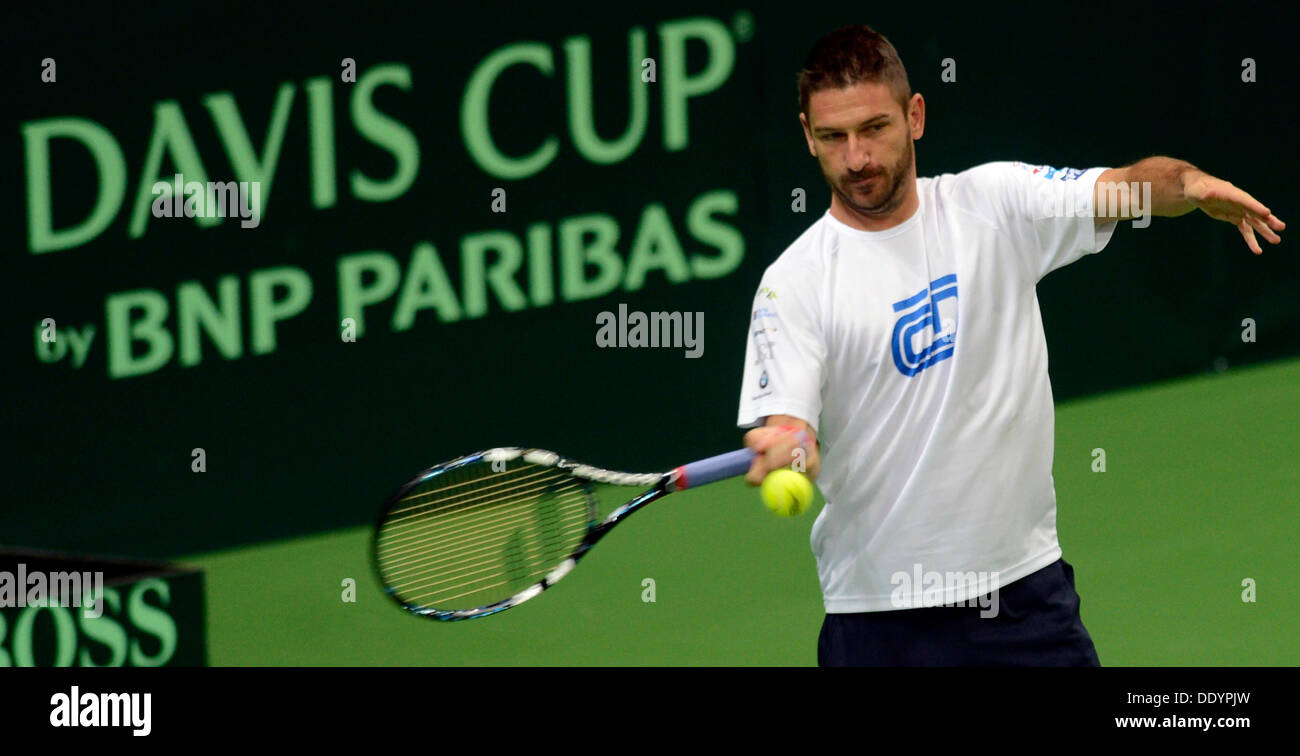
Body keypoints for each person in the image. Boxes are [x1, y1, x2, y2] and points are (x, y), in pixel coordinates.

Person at [737, 24, 1285, 666]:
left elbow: (1126, 185)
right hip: (879, 626)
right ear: (807, 134)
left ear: (915, 116)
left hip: (1024, 601)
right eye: (834, 137)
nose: (856, 157)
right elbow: (790, 428)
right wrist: (793, 449)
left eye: (874, 128)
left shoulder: (993, 205)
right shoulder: (792, 285)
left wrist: (1188, 187)